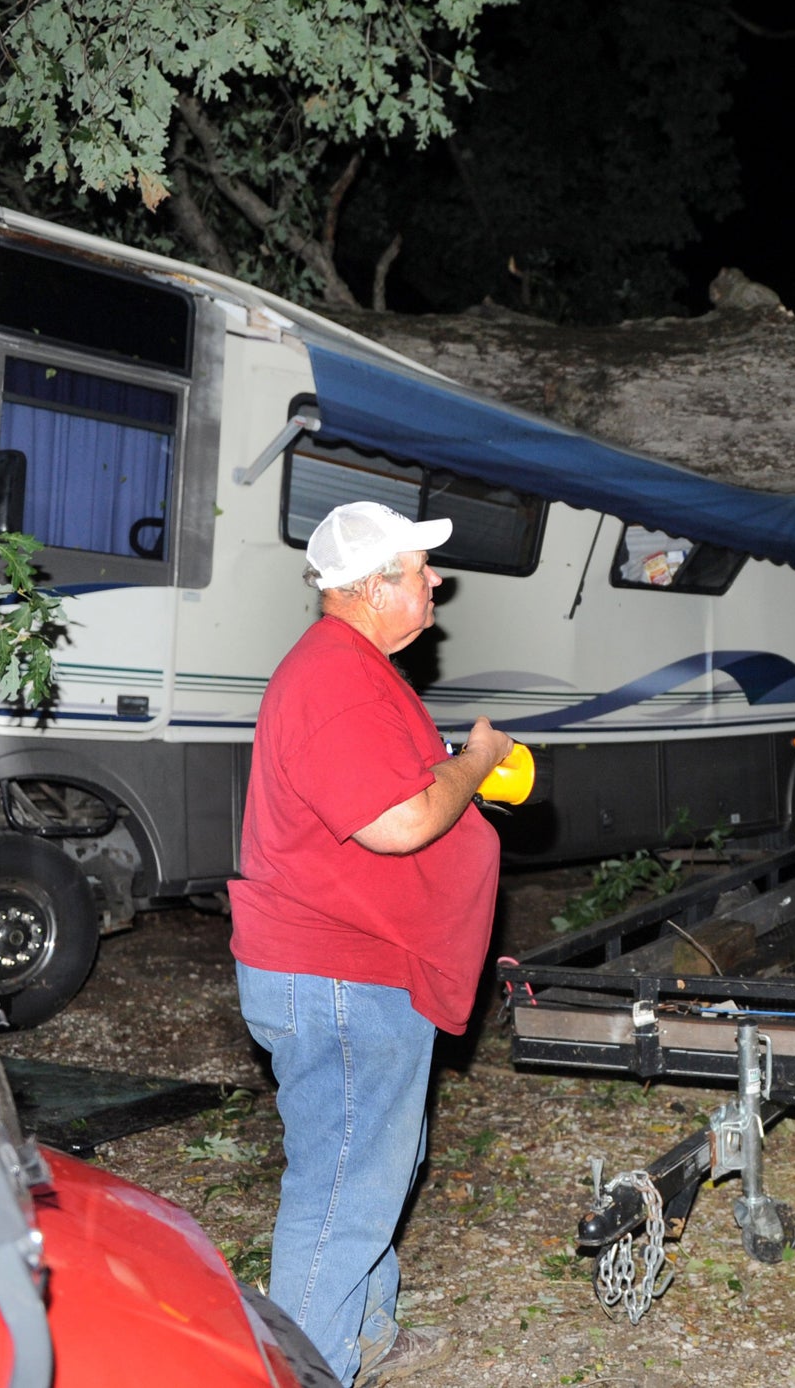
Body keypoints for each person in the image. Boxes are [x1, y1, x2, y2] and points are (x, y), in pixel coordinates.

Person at [231, 500, 514, 1386]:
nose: (437, 580)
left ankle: (364, 1336)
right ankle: (308, 1373)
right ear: (372, 586)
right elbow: (398, 822)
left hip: (361, 968)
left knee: (378, 1164)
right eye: (421, 568)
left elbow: (392, 790)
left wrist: (456, 778)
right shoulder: (336, 678)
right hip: (338, 976)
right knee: (343, 1191)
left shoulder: (357, 670)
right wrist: (475, 760)